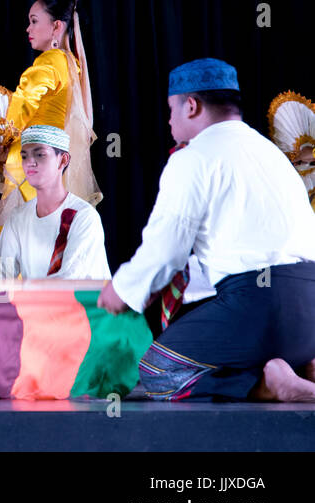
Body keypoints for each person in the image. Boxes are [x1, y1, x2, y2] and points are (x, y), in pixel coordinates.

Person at [97, 58, 315, 401]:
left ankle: (269, 386)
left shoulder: (193, 158)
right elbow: (236, 246)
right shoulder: (270, 153)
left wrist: (124, 290)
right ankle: (301, 366)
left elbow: (165, 248)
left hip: (262, 305)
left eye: (171, 109)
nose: (168, 120)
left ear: (192, 105)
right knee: (224, 337)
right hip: (309, 309)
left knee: (159, 371)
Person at [0, 0, 101, 264]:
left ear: (57, 26)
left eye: (34, 21)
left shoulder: (49, 61)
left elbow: (24, 98)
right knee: (38, 245)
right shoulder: (72, 64)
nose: (28, 29)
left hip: (31, 163)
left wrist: (3, 134)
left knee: (1, 249)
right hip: (52, 166)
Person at [0, 124, 111, 280]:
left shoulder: (84, 217)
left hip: (80, 303)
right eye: (25, 156)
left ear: (62, 160)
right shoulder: (17, 218)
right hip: (35, 303)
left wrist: (24, 298)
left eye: (40, 155)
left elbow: (69, 281)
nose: (30, 163)